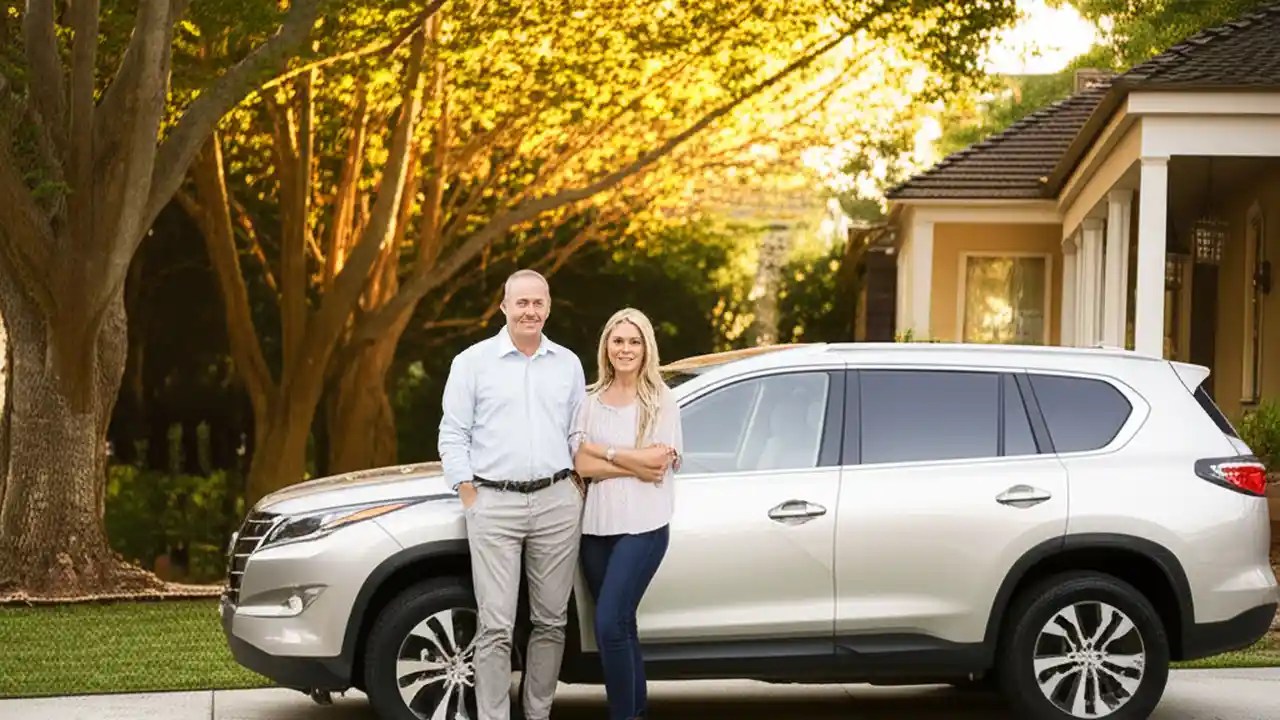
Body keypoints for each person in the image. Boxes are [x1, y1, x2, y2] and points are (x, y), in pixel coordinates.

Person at [438, 268, 586, 720]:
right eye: (521, 302)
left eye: (538, 302)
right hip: (493, 504)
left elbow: (579, 432)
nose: (530, 311)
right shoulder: (472, 363)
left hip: (557, 502)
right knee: (497, 625)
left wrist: (576, 488)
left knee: (551, 621)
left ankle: (537, 713)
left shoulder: (569, 364)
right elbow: (453, 433)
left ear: (548, 307)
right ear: (504, 307)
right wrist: (468, 492)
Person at [570, 308, 682, 720]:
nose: (625, 349)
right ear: (606, 346)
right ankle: (634, 713)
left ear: (646, 347)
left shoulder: (661, 400)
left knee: (609, 624)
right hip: (596, 528)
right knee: (621, 627)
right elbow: (581, 465)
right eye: (618, 341)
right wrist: (632, 460)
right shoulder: (588, 401)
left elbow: (658, 464)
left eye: (634, 341)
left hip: (645, 526)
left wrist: (608, 452)